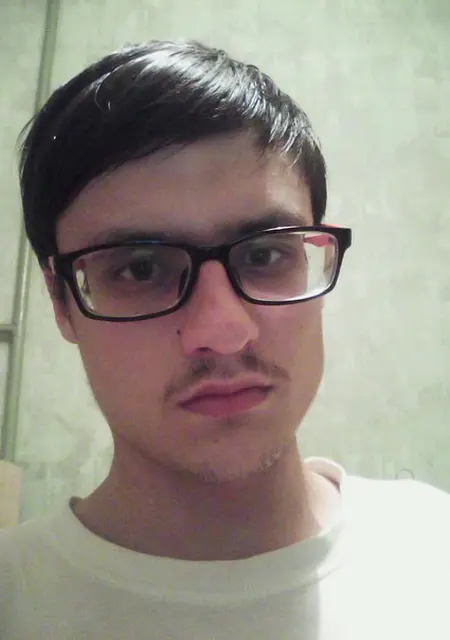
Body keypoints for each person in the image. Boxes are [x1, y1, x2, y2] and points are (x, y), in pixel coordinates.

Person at [1, 39, 449, 640]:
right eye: (140, 269)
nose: (223, 330)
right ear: (61, 302)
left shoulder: (432, 548)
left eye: (265, 255)